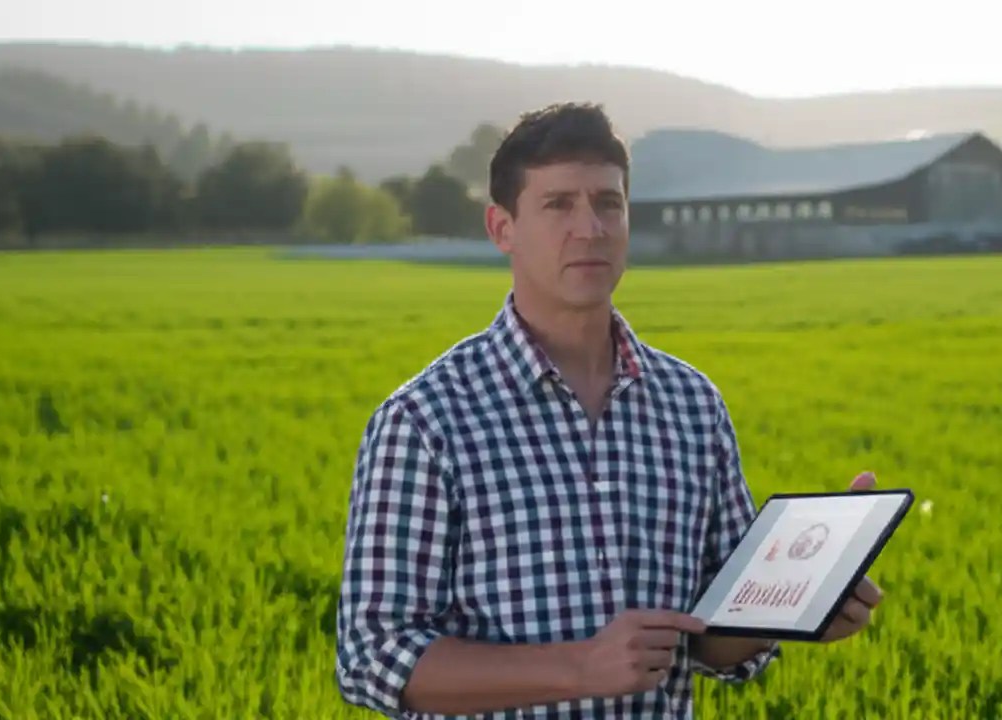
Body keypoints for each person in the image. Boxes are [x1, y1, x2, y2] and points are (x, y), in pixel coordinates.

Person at [335, 101, 884, 719]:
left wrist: (799, 608)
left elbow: (711, 634)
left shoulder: (691, 406)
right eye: (558, 204)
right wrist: (579, 667)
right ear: (501, 228)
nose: (590, 228)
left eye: (608, 203)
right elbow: (372, 657)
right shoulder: (426, 420)